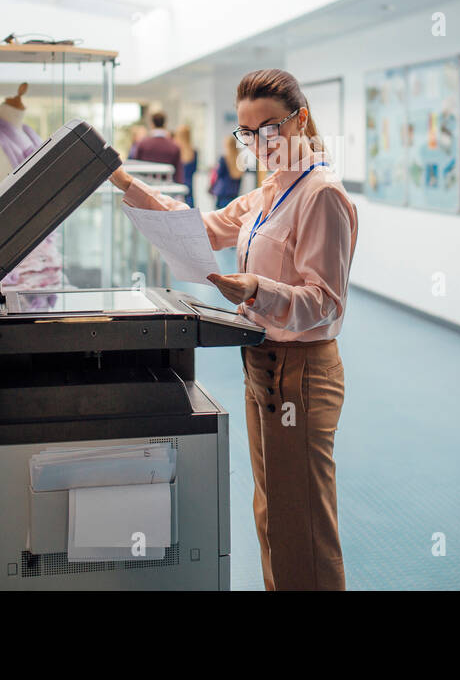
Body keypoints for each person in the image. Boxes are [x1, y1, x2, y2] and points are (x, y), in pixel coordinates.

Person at [108, 69, 357, 591]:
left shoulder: (321, 195)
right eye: (247, 133)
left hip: (301, 376)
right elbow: (203, 226)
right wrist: (128, 184)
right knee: (272, 516)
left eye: (270, 128)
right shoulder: (271, 191)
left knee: (303, 528)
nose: (259, 144)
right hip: (262, 368)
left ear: (301, 119)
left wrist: (256, 290)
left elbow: (326, 303)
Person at [128, 111, 182, 183]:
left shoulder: (142, 144)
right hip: (167, 189)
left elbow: (136, 168)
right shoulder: (174, 147)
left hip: (146, 188)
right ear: (165, 124)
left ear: (152, 124)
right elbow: (178, 173)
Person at [211, 134, 244, 210]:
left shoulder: (223, 159)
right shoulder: (240, 160)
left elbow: (218, 174)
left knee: (219, 217)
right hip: (234, 193)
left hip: (222, 193)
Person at [174, 123, 197, 207]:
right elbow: (194, 170)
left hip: (177, 185)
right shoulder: (194, 152)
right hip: (189, 186)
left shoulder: (176, 151)